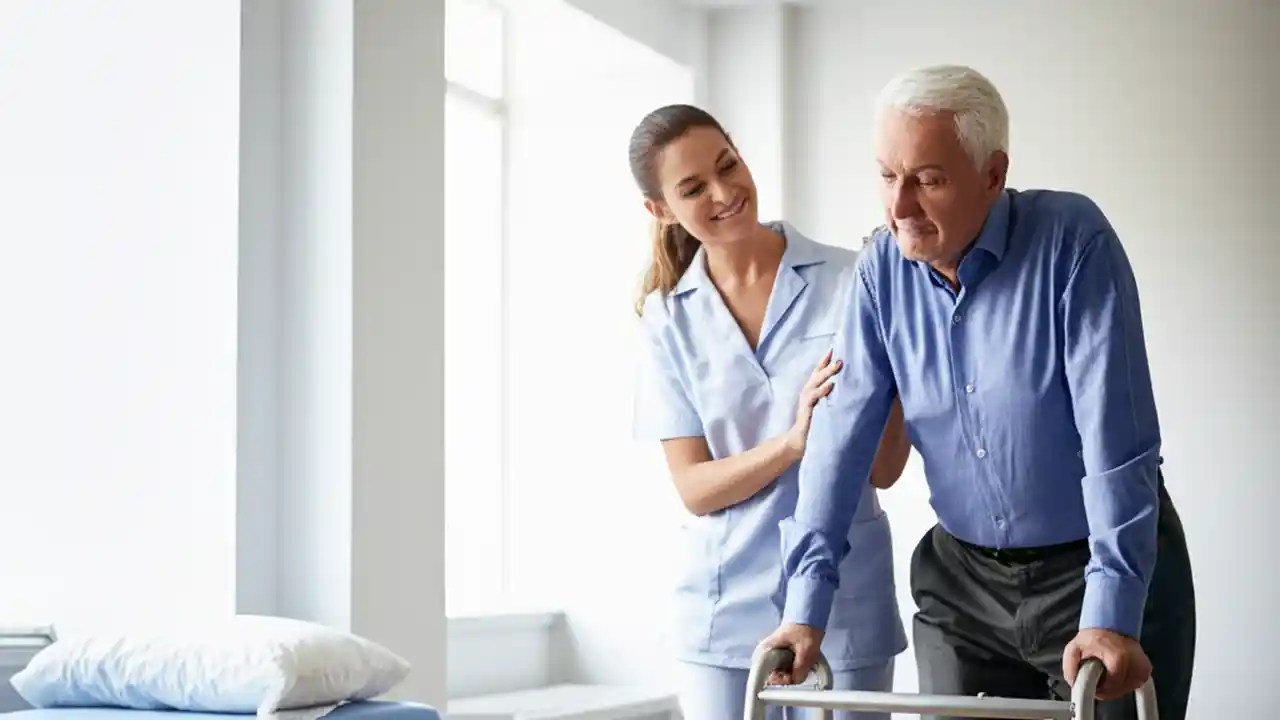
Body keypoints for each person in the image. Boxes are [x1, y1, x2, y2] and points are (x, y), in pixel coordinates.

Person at [759, 65, 1196, 720]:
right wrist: (803, 609)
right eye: (887, 176)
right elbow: (839, 444)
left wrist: (1109, 614)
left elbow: (1118, 441)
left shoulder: (1072, 241)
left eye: (928, 180)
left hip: (1095, 566)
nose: (899, 207)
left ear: (993, 174)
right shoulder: (881, 272)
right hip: (963, 587)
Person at [629, 104, 911, 720]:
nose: (724, 192)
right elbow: (695, 488)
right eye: (693, 188)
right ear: (660, 209)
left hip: (844, 599)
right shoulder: (667, 317)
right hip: (722, 609)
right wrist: (794, 442)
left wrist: (889, 378)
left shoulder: (855, 278)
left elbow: (885, 469)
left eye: (728, 165)